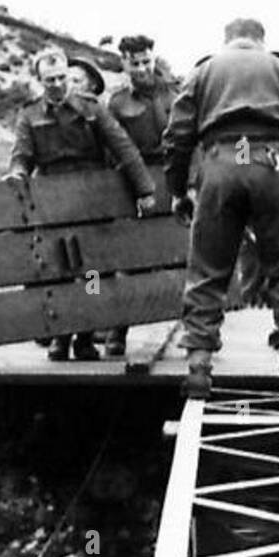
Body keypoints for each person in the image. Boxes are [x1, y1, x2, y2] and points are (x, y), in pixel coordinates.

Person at [160, 17, 279, 399]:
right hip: (270, 163)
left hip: (221, 162)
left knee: (208, 267)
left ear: (227, 40)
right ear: (260, 40)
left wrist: (177, 189)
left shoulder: (204, 71)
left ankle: (198, 370)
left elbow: (177, 136)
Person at [7, 47, 158, 361]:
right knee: (58, 271)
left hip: (92, 199)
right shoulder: (30, 114)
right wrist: (18, 172)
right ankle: (61, 338)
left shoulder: (92, 109)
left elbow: (123, 148)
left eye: (62, 78)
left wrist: (144, 189)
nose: (58, 85)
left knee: (92, 273)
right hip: (52, 201)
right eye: (50, 80)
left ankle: (86, 336)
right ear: (39, 81)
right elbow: (22, 155)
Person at [105, 34, 178, 355]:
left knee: (182, 256)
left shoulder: (177, 93)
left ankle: (198, 331)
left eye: (146, 61)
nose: (142, 68)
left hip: (173, 177)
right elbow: (114, 151)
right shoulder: (117, 103)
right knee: (130, 260)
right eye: (135, 63)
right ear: (124, 64)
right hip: (135, 183)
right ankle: (118, 331)